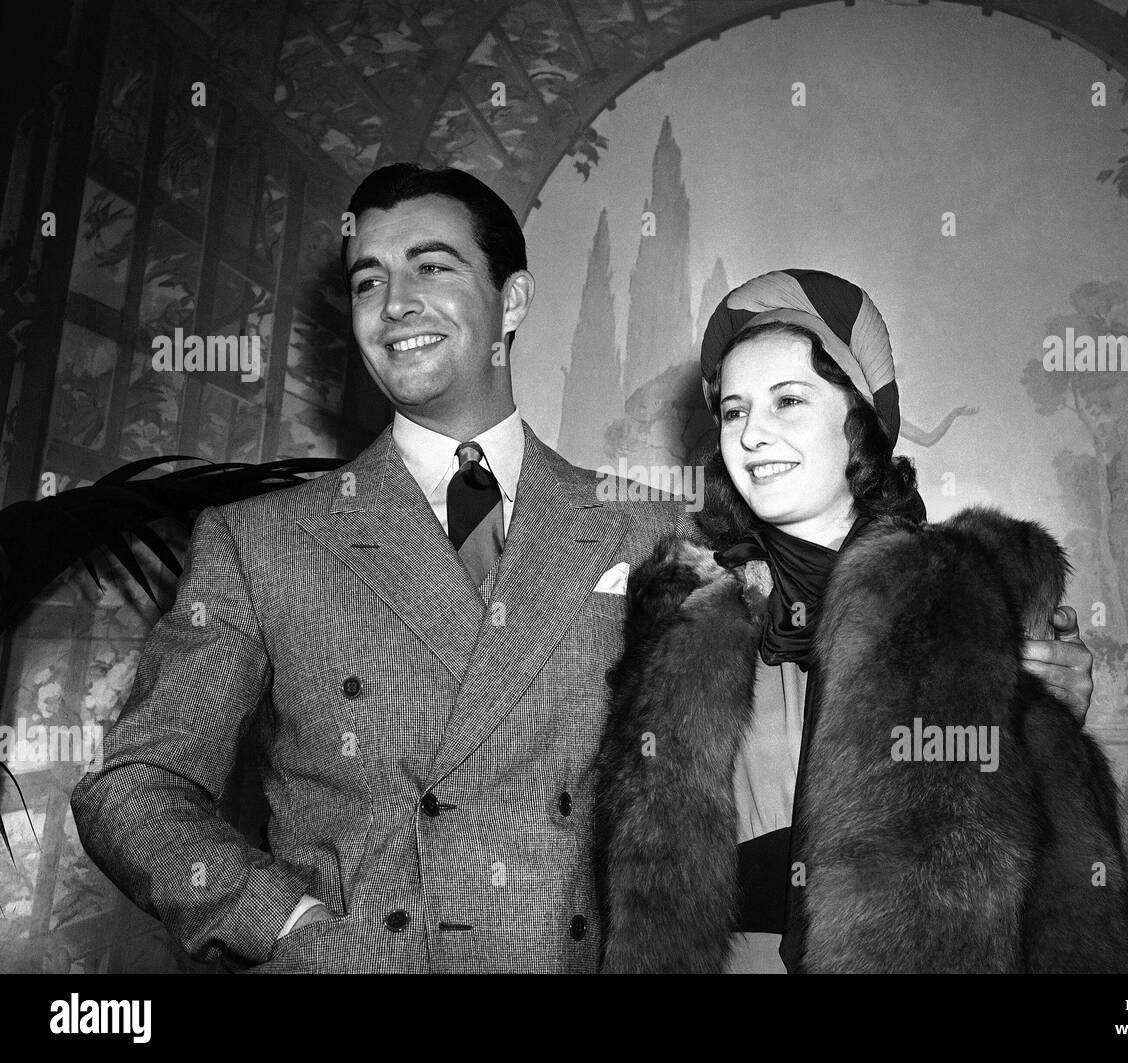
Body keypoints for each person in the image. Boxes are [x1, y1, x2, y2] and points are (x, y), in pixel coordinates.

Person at [70, 164, 690, 973]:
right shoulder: (260, 541)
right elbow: (132, 784)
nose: (395, 303)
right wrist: (286, 923)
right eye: (370, 281)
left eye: (432, 267)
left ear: (514, 301)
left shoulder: (646, 525)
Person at [596, 269, 1128, 974]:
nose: (753, 434)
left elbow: (1072, 894)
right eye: (733, 411)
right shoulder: (686, 615)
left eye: (787, 400)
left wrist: (1023, 709)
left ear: (859, 420)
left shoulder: (969, 603)